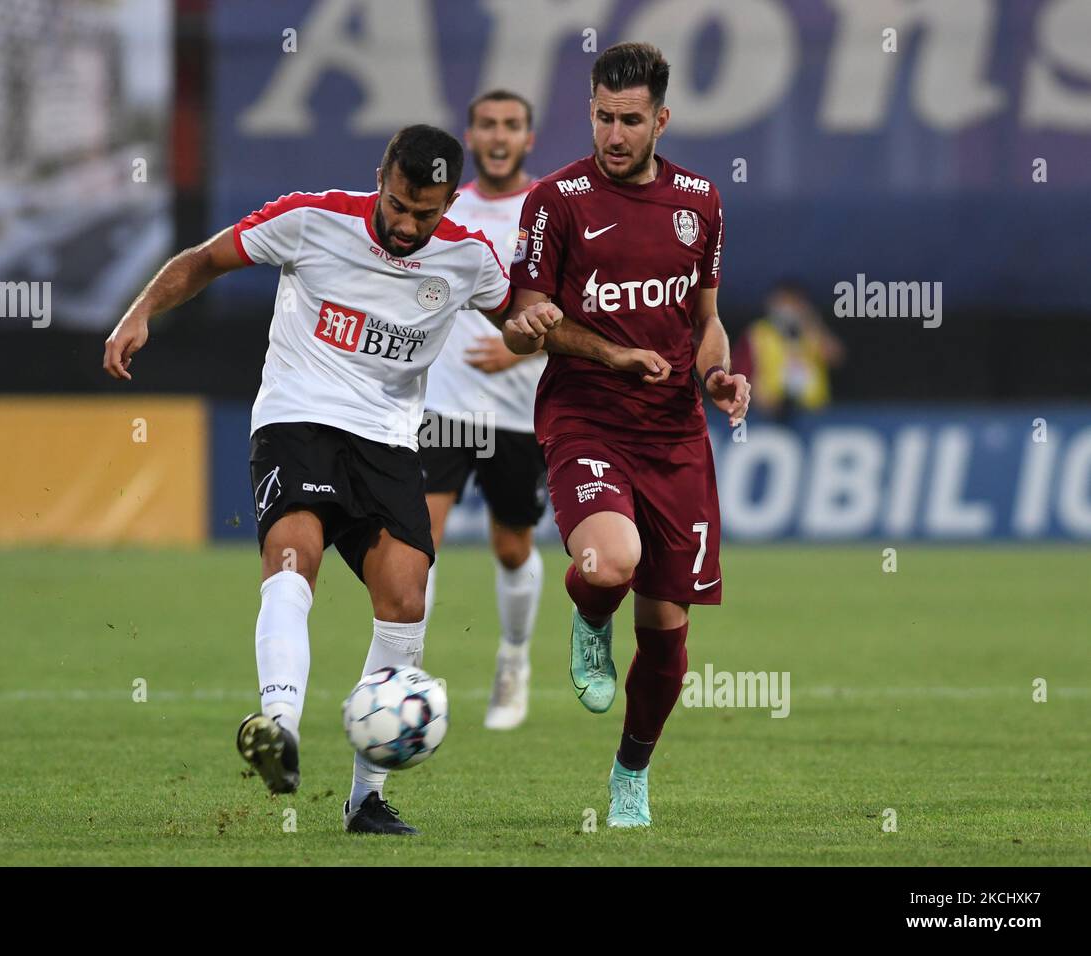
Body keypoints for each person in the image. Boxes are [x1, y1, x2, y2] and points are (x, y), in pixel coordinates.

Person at [103, 125, 520, 836]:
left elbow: (522, 314)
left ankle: (367, 799)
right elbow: (206, 260)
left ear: (450, 201)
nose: (408, 223)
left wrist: (545, 331)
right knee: (293, 560)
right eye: (398, 204)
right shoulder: (311, 219)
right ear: (380, 177)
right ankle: (280, 726)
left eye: (426, 212)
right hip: (298, 421)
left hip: (389, 441)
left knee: (405, 595)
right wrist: (141, 311)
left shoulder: (469, 259)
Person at [500, 42, 752, 828]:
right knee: (610, 561)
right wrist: (540, 324)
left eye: (630, 120)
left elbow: (705, 321)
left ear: (661, 120)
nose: (614, 133)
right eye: (603, 117)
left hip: (675, 433)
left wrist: (718, 375)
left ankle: (631, 773)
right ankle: (588, 616)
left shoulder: (701, 202)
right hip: (586, 418)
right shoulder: (555, 199)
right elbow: (521, 324)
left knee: (669, 636)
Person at [421, 89, 546, 730]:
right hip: (441, 407)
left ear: (529, 137)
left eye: (512, 126)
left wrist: (521, 351)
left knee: (511, 546)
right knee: (418, 541)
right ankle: (403, 675)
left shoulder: (549, 212)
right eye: (488, 125)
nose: (499, 136)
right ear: (470, 135)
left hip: (519, 415)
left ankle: (514, 658)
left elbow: (582, 309)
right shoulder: (443, 209)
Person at [731, 278, 844, 421]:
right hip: (770, 413)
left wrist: (812, 323)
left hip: (814, 413)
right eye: (784, 302)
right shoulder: (758, 333)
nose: (788, 309)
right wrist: (757, 400)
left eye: (794, 303)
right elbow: (739, 374)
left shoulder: (812, 331)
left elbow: (836, 357)